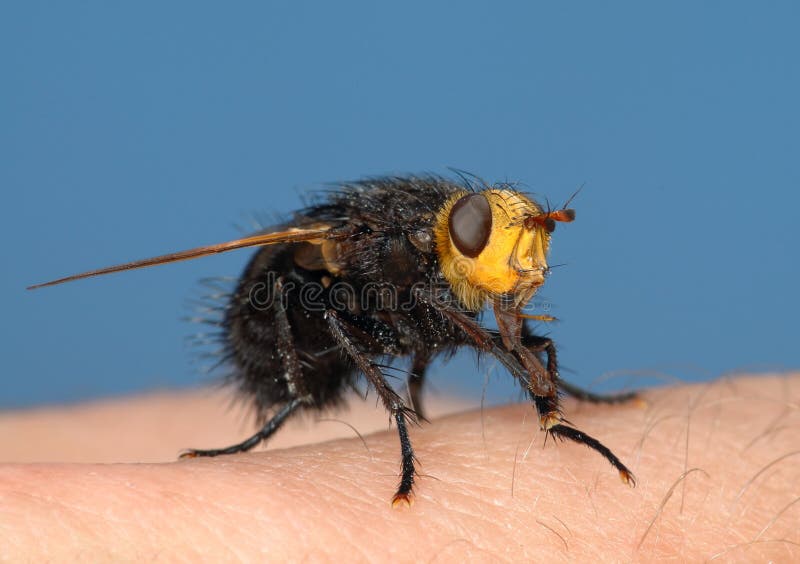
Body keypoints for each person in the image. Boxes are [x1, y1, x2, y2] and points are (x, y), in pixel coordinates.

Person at [1, 373, 797, 561]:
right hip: (289, 327)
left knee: (492, 329)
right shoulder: (405, 249)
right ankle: (403, 422)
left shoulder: (458, 268)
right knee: (323, 298)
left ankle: (555, 410)